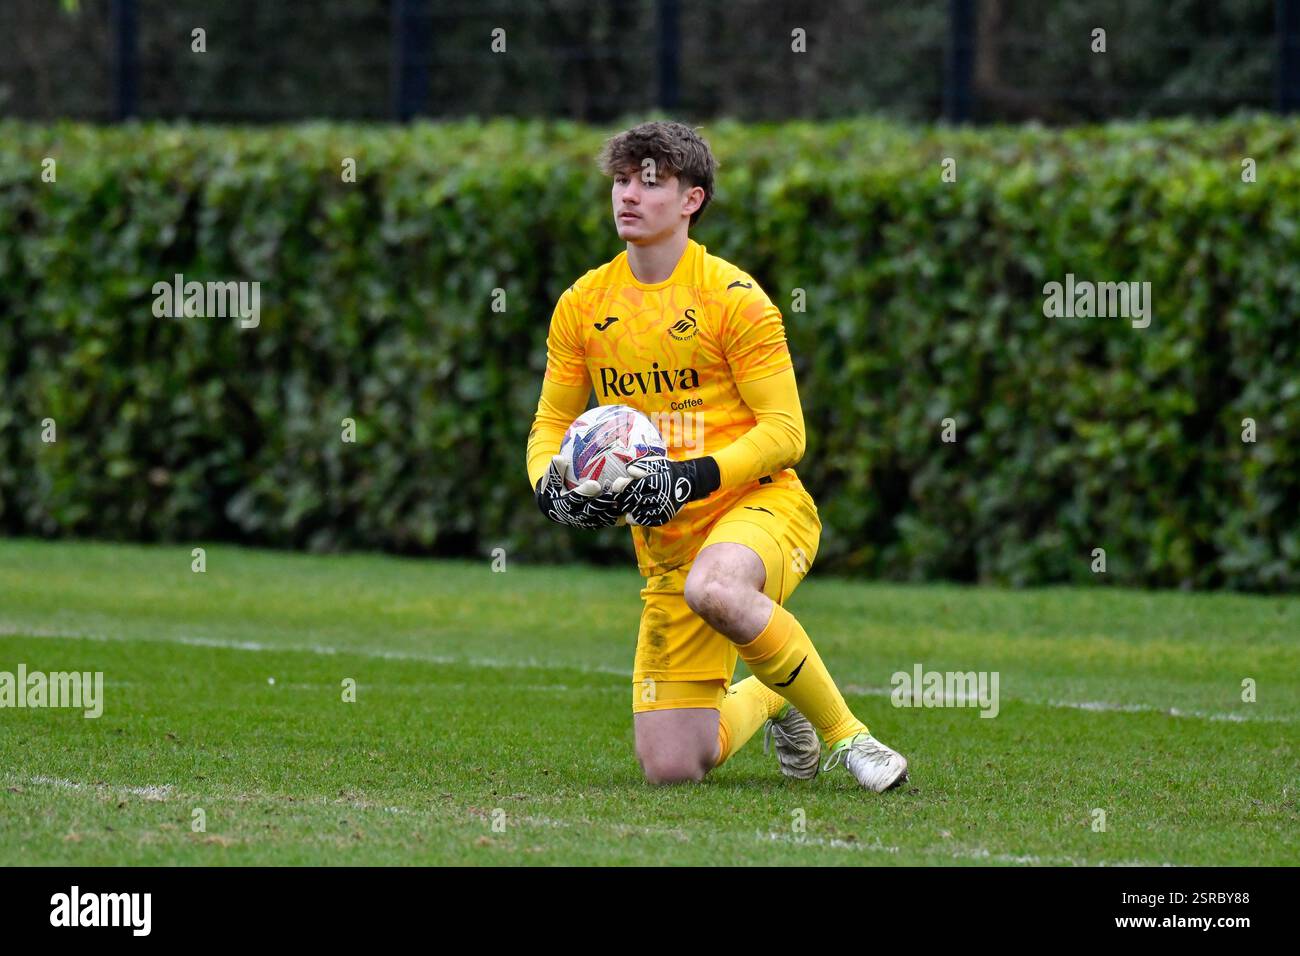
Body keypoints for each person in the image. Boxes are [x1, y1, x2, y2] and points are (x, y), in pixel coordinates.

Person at [526, 121, 908, 790]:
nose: (628, 197)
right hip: (667, 546)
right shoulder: (583, 305)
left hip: (760, 507)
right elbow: (552, 422)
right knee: (672, 768)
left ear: (691, 200)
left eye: (650, 183)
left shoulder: (735, 300)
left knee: (718, 587)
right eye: (620, 181)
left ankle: (853, 740)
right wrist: (546, 482)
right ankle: (772, 692)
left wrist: (690, 476)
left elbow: (787, 432)